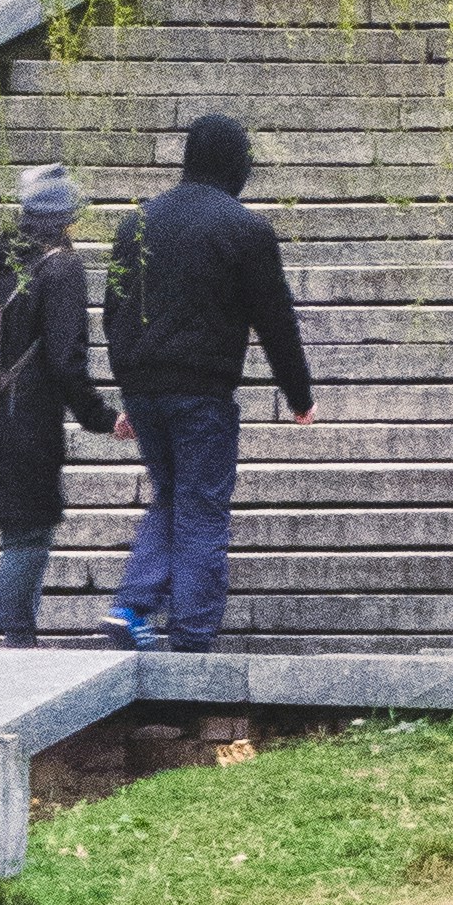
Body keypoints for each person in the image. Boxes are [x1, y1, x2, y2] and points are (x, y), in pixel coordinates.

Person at [100, 110, 315, 656]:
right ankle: (192, 640)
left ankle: (132, 606)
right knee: (202, 507)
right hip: (202, 392)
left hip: (145, 389)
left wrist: (128, 389)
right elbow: (274, 317)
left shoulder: (137, 224)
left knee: (170, 498)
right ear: (234, 162)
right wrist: (299, 395)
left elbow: (113, 311)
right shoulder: (244, 228)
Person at [0, 164, 116, 656]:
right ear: (69, 218)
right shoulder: (61, 269)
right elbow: (66, 359)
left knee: (22, 532)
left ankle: (21, 643)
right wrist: (103, 417)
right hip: (22, 422)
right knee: (31, 537)